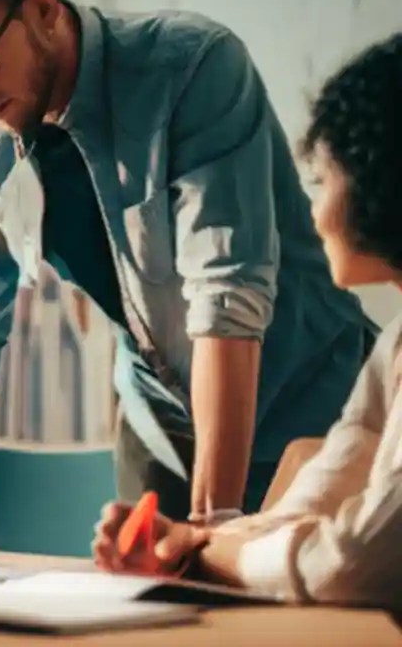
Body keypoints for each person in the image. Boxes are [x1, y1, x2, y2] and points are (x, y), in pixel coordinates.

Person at [0, 0, 375, 552]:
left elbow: (226, 296)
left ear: (41, 6)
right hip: (161, 420)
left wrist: (212, 527)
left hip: (310, 404)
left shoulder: (192, 67)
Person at [93, 33, 402, 611]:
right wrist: (196, 543)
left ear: (379, 180)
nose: (313, 212)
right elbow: (317, 496)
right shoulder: (395, 347)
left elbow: (350, 562)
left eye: (322, 182)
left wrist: (214, 554)